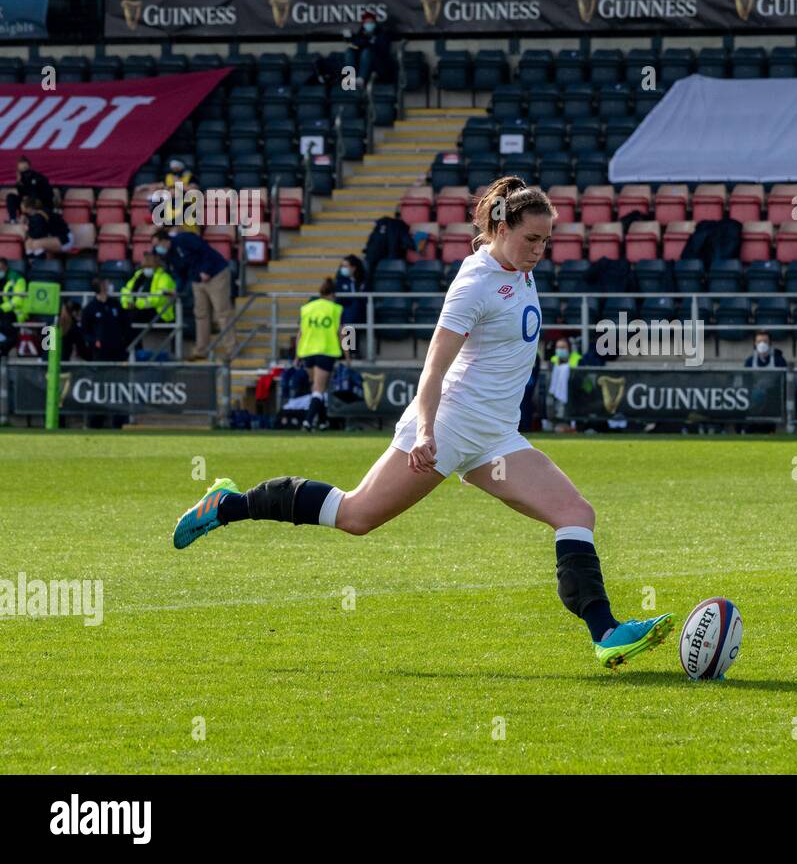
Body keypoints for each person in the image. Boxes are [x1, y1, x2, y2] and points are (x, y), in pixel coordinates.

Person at [171, 176, 674, 671]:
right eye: (531, 239)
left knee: (575, 512)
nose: (540, 250)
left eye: (546, 240)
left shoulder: (519, 266)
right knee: (356, 516)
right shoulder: (474, 283)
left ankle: (606, 634)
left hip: (496, 436)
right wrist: (428, 432)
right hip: (450, 424)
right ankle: (229, 504)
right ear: (502, 230)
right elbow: (433, 366)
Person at [152, 226, 234, 361]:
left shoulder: (185, 239)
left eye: (157, 245)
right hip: (196, 279)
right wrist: (177, 290)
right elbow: (180, 274)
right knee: (200, 314)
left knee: (222, 312)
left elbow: (205, 250)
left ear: (164, 241)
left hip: (216, 274)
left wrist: (206, 269)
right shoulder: (169, 256)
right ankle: (202, 349)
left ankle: (231, 348)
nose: (156, 249)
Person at [296, 277, 344, 432]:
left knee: (316, 388)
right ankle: (308, 422)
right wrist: (348, 354)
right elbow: (342, 333)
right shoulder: (334, 309)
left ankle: (323, 422)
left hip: (307, 351)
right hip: (325, 351)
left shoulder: (307, 308)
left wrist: (297, 355)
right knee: (319, 388)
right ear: (333, 294)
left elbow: (300, 333)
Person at [121, 251, 177, 328]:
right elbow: (126, 290)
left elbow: (159, 298)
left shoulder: (164, 277)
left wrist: (137, 304)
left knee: (132, 316)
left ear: (156, 265)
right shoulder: (138, 275)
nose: (146, 269)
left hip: (159, 312)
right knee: (121, 315)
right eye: (144, 267)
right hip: (138, 309)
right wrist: (127, 302)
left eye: (149, 267)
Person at [81, 279, 129, 362]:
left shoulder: (115, 304)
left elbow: (125, 323)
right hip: (101, 352)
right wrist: (94, 341)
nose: (109, 287)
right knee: (102, 373)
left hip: (118, 350)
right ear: (100, 288)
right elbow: (85, 331)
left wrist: (123, 340)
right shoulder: (90, 308)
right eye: (106, 285)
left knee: (120, 373)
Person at [346, 11, 394, 85]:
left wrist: (370, 42)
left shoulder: (382, 34)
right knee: (349, 51)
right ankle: (350, 78)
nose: (369, 24)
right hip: (361, 65)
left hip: (378, 65)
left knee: (367, 51)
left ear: (375, 23)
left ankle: (361, 79)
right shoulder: (361, 34)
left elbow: (383, 51)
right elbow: (355, 46)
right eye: (366, 22)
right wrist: (352, 39)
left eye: (371, 22)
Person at [545, 336, 582, 433]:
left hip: (574, 391)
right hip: (557, 391)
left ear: (569, 348)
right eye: (558, 347)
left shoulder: (576, 358)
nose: (560, 350)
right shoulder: (554, 359)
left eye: (563, 347)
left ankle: (573, 426)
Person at [335, 254, 367, 357]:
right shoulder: (339, 281)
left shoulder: (362, 280)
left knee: (353, 311)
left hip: (359, 313)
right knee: (348, 317)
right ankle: (348, 351)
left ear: (353, 268)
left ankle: (351, 351)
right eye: (342, 266)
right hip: (343, 313)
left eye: (346, 266)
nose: (343, 269)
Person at [7, 156, 55, 222]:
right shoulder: (21, 180)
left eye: (25, 169)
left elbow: (37, 194)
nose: (23, 172)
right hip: (26, 202)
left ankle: (28, 217)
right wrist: (19, 183)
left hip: (39, 202)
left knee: (29, 201)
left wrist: (27, 198)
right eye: (21, 170)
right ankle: (13, 219)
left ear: (29, 167)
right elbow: (22, 194)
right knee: (11, 197)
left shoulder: (38, 178)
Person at [0, 256, 27, 356]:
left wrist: (2, 308)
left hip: (15, 313)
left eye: (1, 269)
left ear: (6, 267)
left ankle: (4, 348)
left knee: (5, 325)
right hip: (3, 313)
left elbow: (18, 300)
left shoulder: (17, 278)